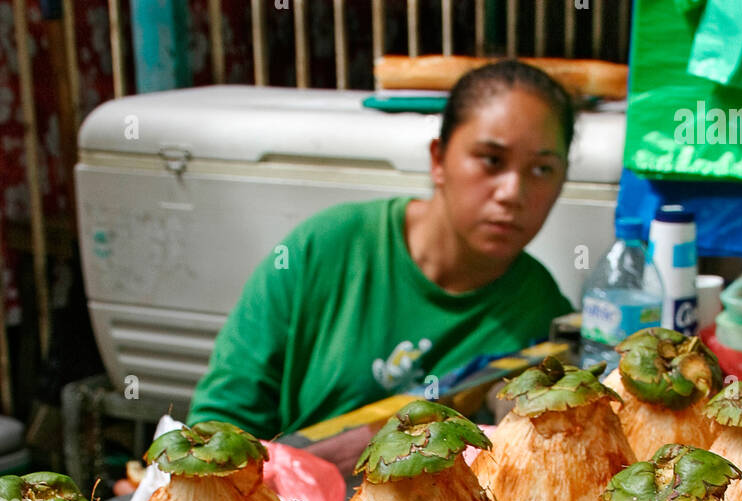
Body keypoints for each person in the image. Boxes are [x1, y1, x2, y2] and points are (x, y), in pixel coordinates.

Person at [186, 60, 575, 454]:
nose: (513, 192)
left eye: (542, 169)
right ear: (438, 159)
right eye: (491, 160)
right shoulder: (323, 251)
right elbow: (222, 423)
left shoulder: (542, 318)